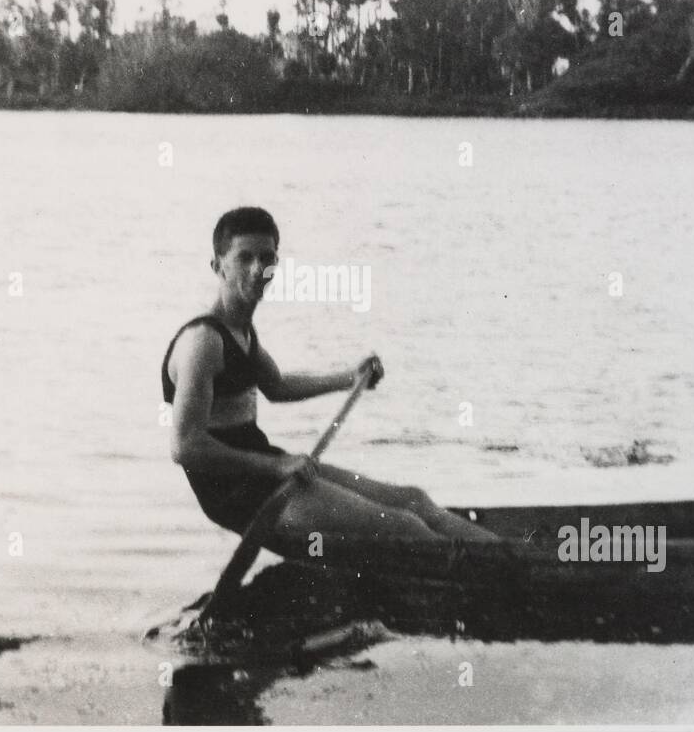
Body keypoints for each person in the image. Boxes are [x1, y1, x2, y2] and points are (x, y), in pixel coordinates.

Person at [161, 206, 497, 553]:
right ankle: (504, 573)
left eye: (267, 258)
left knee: (414, 501)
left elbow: (276, 386)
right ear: (218, 266)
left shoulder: (240, 331)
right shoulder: (203, 342)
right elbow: (186, 446)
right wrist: (278, 465)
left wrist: (350, 378)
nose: (258, 269)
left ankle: (512, 555)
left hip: (266, 471)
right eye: (244, 258)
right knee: (402, 525)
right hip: (240, 493)